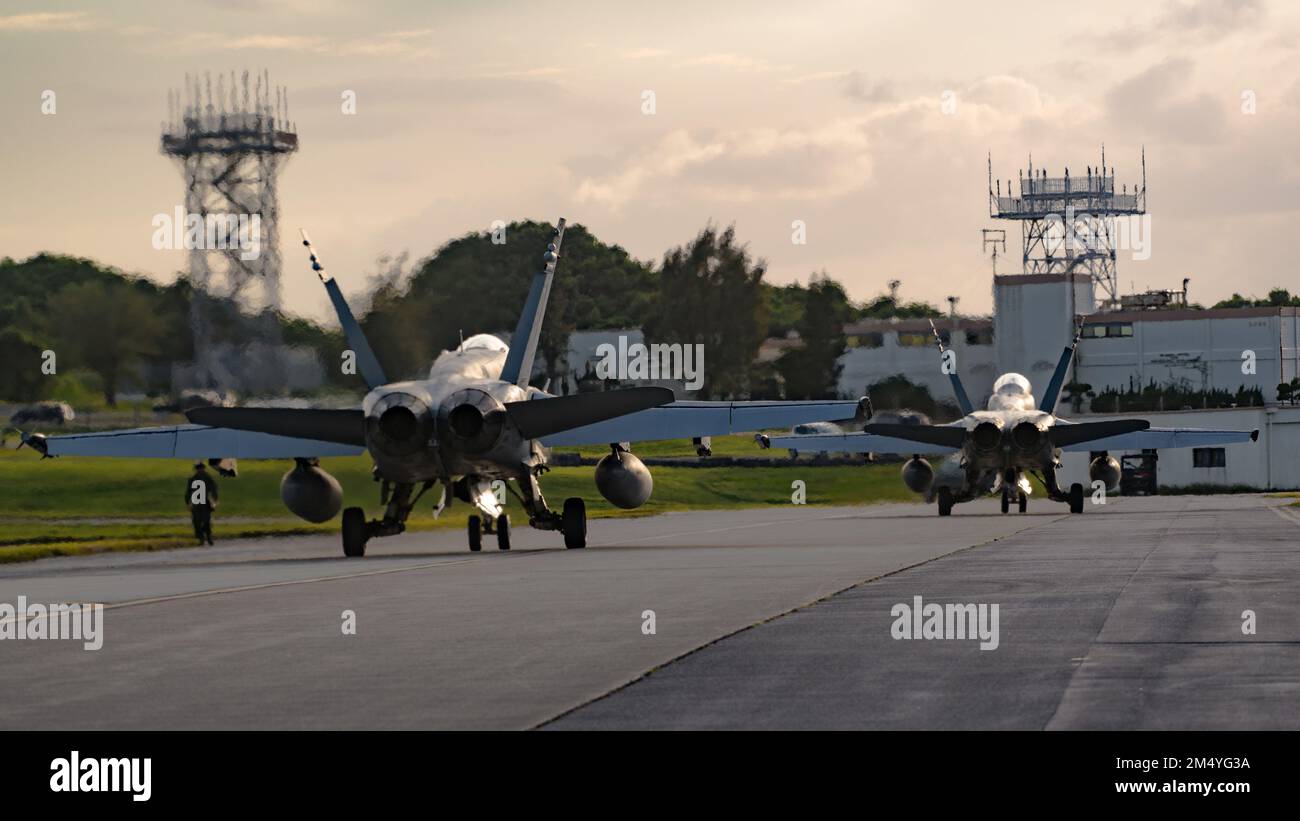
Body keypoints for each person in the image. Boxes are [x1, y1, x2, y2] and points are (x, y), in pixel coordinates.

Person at [186, 461, 219, 545]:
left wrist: (188, 502)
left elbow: (188, 492)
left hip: (197, 502)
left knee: (198, 521)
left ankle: (203, 538)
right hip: (202, 502)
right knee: (204, 521)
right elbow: (214, 489)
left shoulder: (193, 478)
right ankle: (207, 537)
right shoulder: (207, 477)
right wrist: (214, 500)